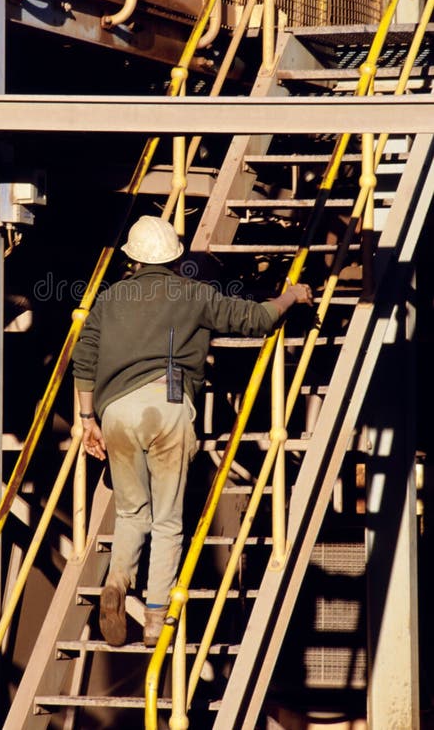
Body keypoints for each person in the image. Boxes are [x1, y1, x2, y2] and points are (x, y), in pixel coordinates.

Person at [72, 215, 313, 647]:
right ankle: (153, 619)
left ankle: (117, 582)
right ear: (175, 255)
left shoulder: (109, 299)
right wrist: (291, 296)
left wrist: (88, 420)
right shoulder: (194, 293)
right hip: (167, 403)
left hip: (116, 412)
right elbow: (255, 320)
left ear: (131, 258)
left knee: (131, 513)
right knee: (167, 520)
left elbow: (84, 357)